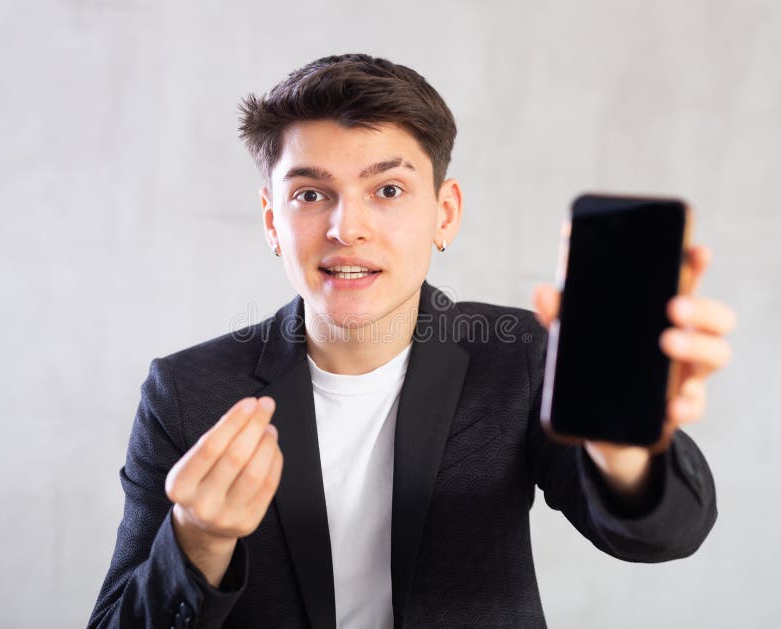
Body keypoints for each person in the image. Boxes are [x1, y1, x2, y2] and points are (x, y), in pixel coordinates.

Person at [88, 54, 736, 629]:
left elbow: (664, 535)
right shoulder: (186, 391)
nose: (348, 227)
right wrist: (195, 542)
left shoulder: (521, 357)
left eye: (388, 190)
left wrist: (623, 451)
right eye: (311, 193)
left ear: (444, 212)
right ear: (272, 220)